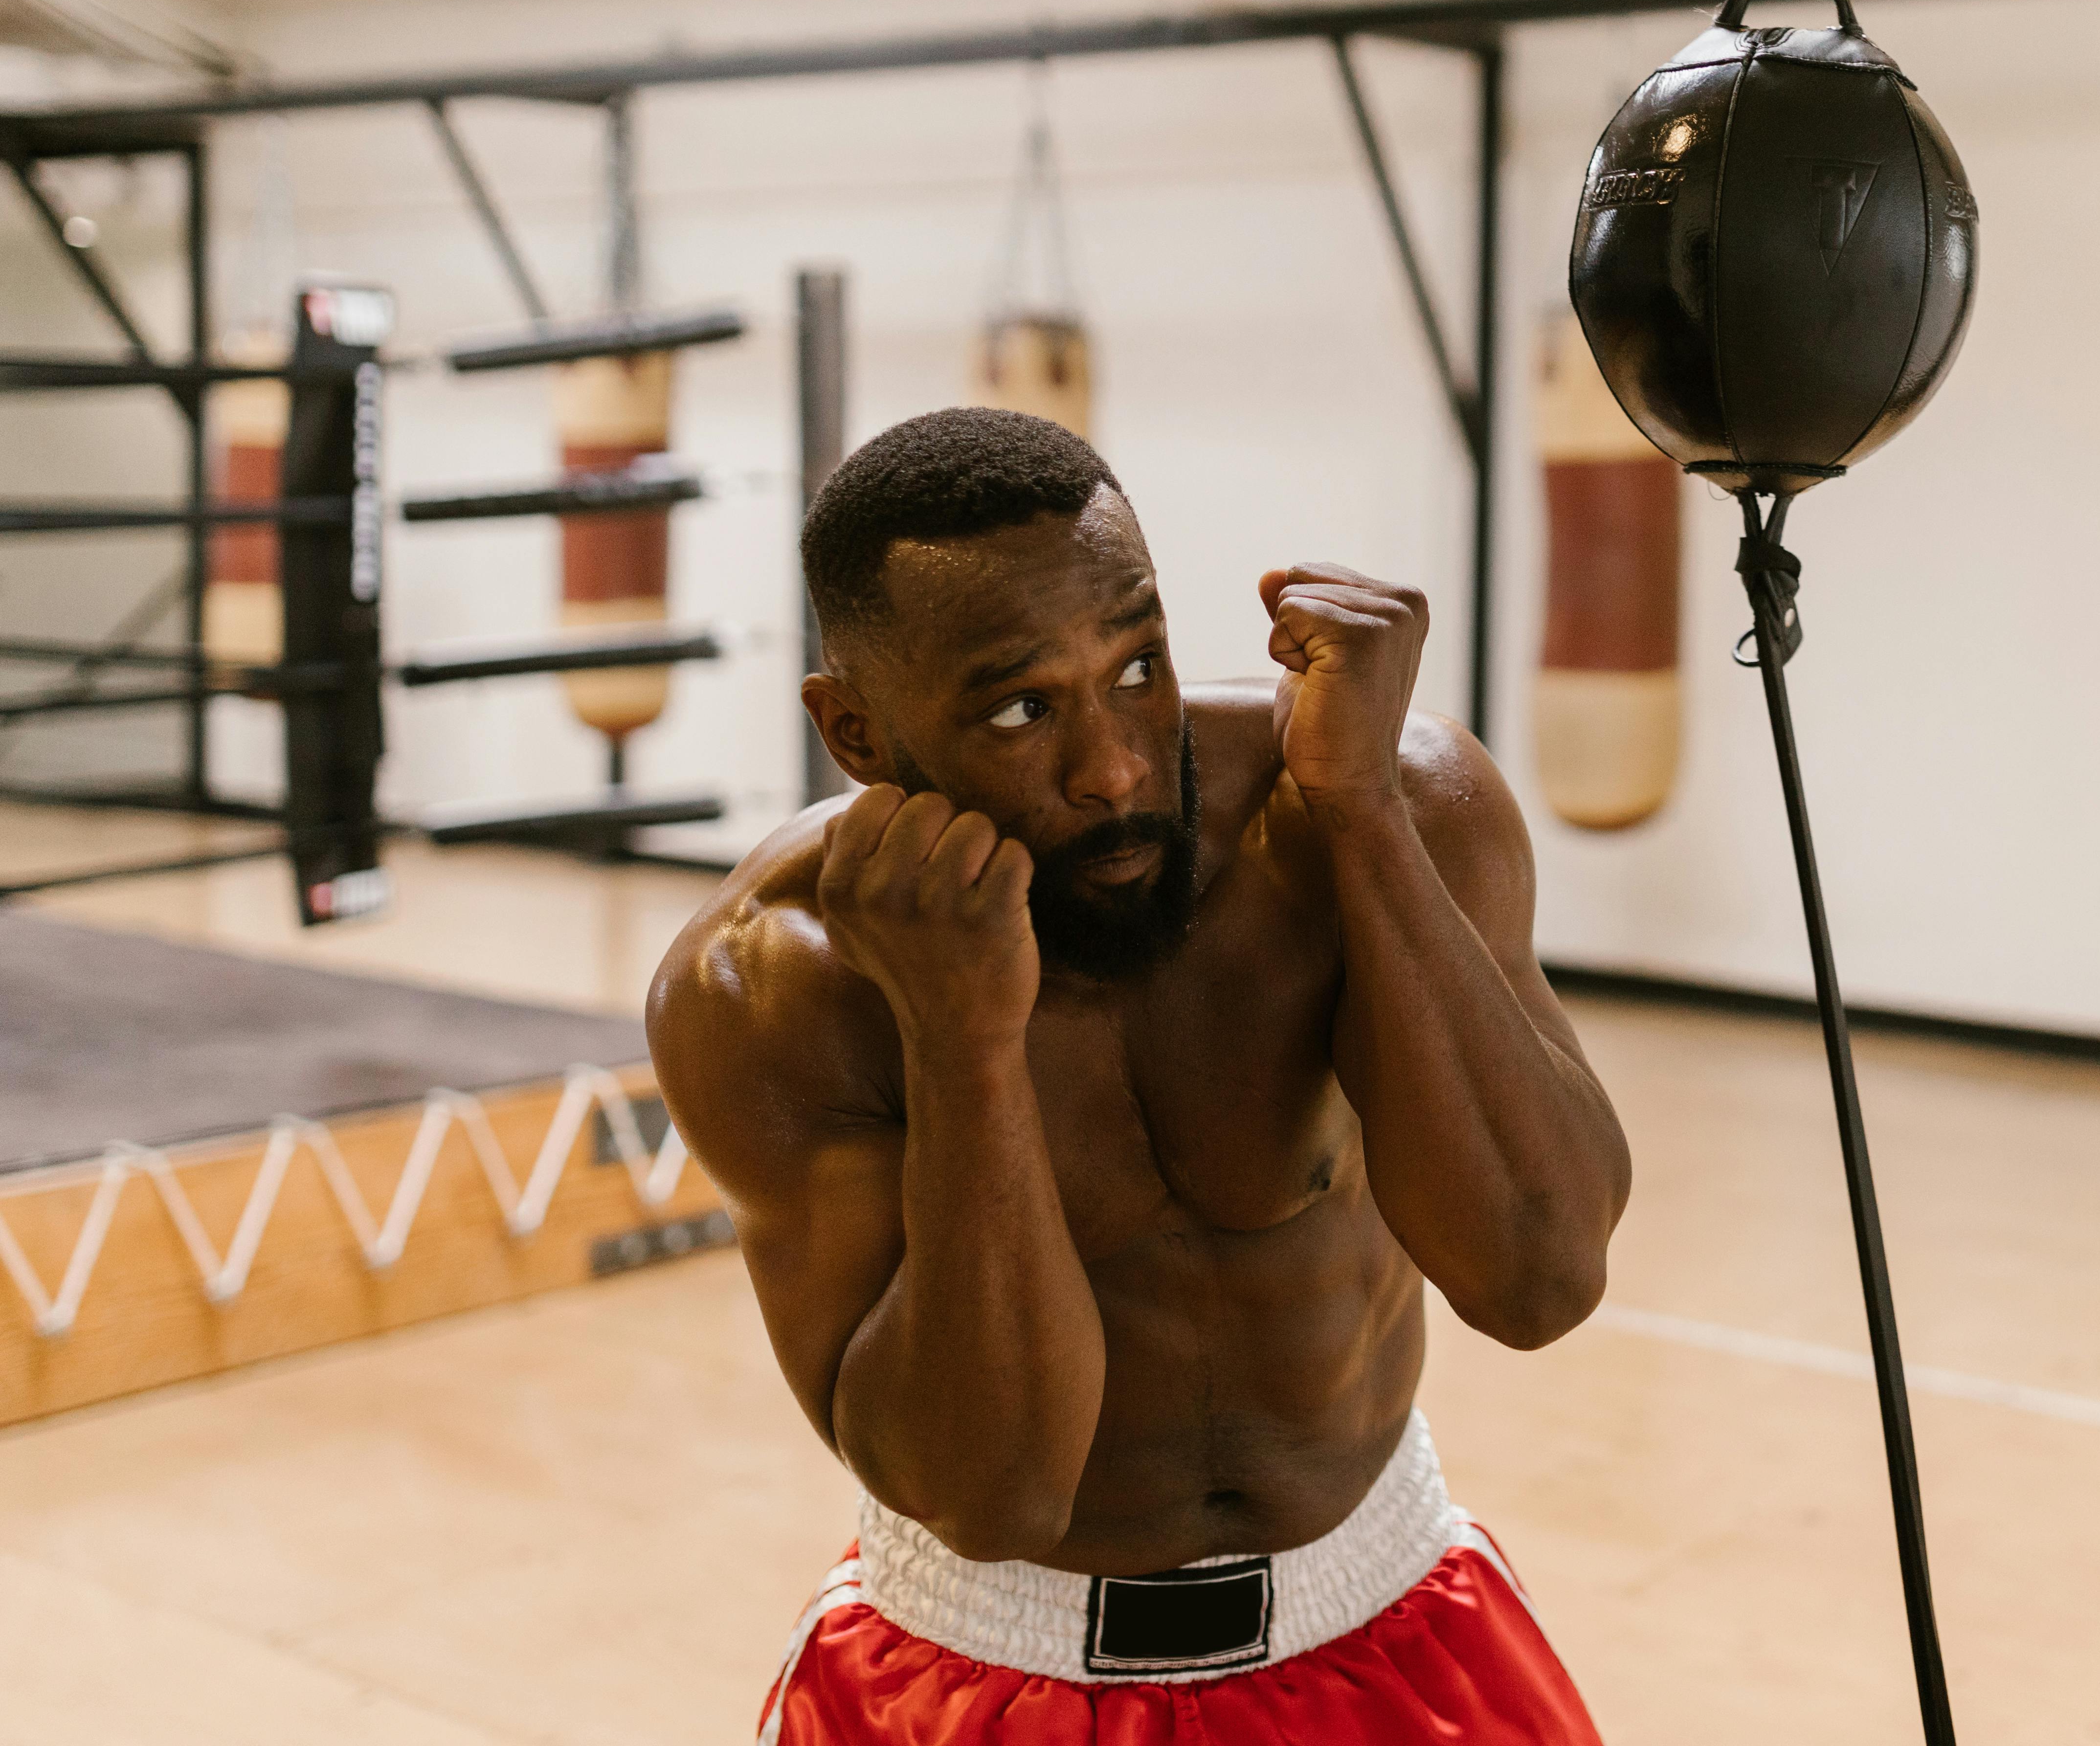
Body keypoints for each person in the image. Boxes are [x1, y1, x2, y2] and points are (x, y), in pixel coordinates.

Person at [649, 407, 1631, 1743]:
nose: (1113, 769)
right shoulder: (776, 985)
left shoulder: (1368, 804)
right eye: (1018, 708)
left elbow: (1543, 1279)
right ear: (861, 736)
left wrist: (1367, 822)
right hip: (983, 1671)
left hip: (1385, 1617)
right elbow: (992, 1494)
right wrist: (962, 1044)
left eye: (1137, 666)